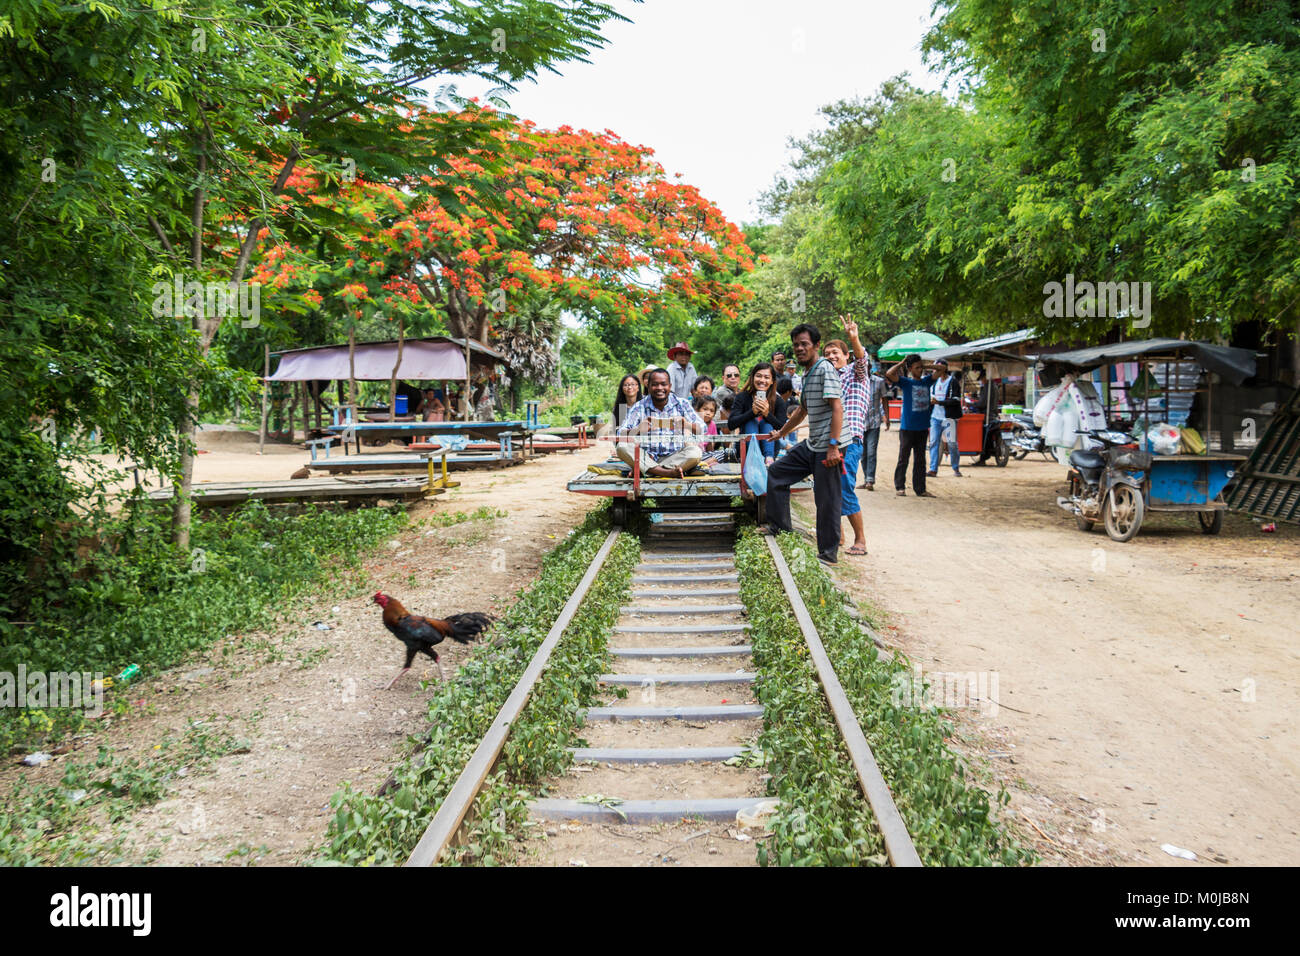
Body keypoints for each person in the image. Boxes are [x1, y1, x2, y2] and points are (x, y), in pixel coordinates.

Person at [766, 324, 844, 565]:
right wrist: (782, 432)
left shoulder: (824, 369)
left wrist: (833, 445)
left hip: (828, 445)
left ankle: (828, 554)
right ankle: (781, 531)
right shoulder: (808, 373)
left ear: (816, 346)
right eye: (796, 345)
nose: (799, 349)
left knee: (826, 498)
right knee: (777, 473)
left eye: (804, 344)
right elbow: (802, 411)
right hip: (813, 444)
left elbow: (837, 407)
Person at [822, 315, 869, 556]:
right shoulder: (826, 380)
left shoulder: (855, 373)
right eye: (827, 354)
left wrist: (853, 337)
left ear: (846, 355)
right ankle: (837, 535)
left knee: (845, 486)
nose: (831, 357)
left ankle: (860, 540)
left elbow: (862, 359)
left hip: (850, 442)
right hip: (829, 442)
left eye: (835, 353)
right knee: (830, 486)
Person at [616, 367, 706, 477]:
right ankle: (666, 472)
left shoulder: (682, 404)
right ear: (648, 387)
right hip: (647, 456)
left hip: (675, 456)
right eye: (655, 384)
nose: (659, 388)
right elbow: (620, 433)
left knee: (695, 452)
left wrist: (686, 424)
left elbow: (703, 428)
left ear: (670, 386)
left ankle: (647, 471)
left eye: (664, 384)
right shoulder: (639, 406)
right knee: (622, 446)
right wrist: (638, 429)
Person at [884, 353, 936, 497]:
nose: (920, 370)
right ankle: (900, 486)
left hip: (922, 428)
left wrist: (926, 365)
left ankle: (920, 489)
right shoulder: (906, 382)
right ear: (911, 369)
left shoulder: (926, 381)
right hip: (907, 428)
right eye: (917, 367)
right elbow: (889, 373)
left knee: (920, 460)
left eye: (921, 367)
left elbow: (942, 369)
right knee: (904, 458)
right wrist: (902, 363)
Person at [728, 361, 788, 464]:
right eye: (758, 376)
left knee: (767, 424)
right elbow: (731, 424)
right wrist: (752, 412)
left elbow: (783, 427)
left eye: (766, 377)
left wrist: (767, 414)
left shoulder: (778, 401)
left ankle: (768, 459)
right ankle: (755, 457)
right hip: (746, 449)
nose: (762, 380)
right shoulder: (742, 397)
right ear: (752, 378)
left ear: (772, 381)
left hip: (770, 448)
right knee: (751, 422)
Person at [927, 359, 962, 477]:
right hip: (935, 417)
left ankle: (956, 468)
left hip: (949, 417)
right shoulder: (933, 382)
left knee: (952, 443)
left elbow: (956, 400)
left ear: (945, 369)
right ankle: (933, 469)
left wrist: (939, 402)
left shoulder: (953, 382)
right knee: (933, 442)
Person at [859, 361, 889, 490]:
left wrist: (887, 417)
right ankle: (866, 479)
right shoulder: (857, 382)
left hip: (874, 421)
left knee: (871, 451)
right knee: (862, 453)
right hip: (859, 423)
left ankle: (870, 479)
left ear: (870, 368)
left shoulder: (879, 381)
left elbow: (885, 399)